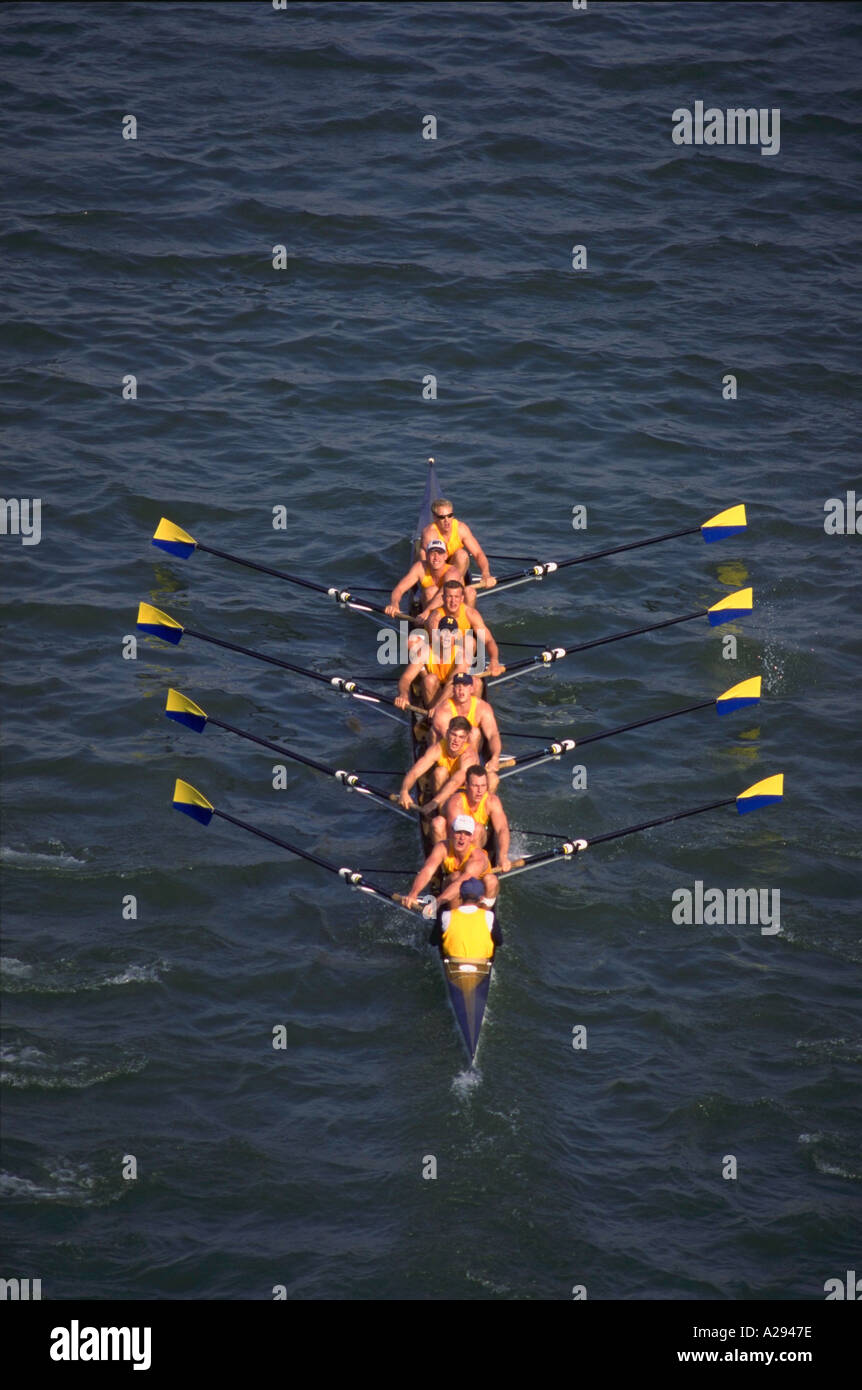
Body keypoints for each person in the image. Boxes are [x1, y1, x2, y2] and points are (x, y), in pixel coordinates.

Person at [403, 815, 498, 910]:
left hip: (476, 893)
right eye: (458, 832)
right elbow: (427, 870)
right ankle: (454, 916)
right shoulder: (442, 847)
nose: (462, 838)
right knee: (455, 876)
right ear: (451, 832)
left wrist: (437, 902)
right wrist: (413, 893)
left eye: (467, 834)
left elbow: (460, 883)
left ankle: (484, 915)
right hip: (453, 885)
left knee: (492, 880)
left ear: (472, 837)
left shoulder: (477, 858)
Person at [425, 578, 504, 683]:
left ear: (462, 598)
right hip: (440, 659)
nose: (453, 601)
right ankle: (453, 681)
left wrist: (494, 660)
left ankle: (462, 676)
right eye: (449, 597)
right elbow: (438, 647)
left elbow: (489, 640)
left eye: (456, 597)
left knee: (470, 641)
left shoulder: (470, 613)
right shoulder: (436, 617)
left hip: (461, 658)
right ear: (443, 598)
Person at [435, 764, 511, 873]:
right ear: (466, 785)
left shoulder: (492, 801)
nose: (480, 791)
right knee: (437, 823)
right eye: (475, 786)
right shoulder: (456, 802)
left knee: (477, 829)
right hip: (458, 842)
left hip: (479, 837)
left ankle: (474, 865)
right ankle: (442, 869)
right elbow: (456, 836)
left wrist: (503, 856)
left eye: (483, 786)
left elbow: (502, 829)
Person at [429, 671, 502, 784]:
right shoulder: (443, 710)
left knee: (474, 732)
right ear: (452, 690)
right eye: (458, 686)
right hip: (448, 755)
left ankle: (471, 771)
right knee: (440, 772)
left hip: (469, 754)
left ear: (472, 689)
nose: (461, 690)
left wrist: (495, 757)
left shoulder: (483, 707)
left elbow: (493, 734)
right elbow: (452, 744)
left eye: (465, 686)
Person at [419, 497, 497, 591]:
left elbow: (478, 554)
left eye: (450, 515)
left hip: (455, 567)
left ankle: (453, 587)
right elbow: (428, 565)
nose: (447, 520)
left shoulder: (461, 529)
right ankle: (450, 589)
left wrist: (486, 574)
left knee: (462, 555)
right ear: (434, 518)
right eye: (442, 517)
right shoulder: (430, 534)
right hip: (436, 568)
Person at [398, 715, 473, 811]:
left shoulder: (468, 756)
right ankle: (442, 811)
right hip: (442, 789)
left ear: (466, 739)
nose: (456, 740)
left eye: (461, 737)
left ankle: (440, 808)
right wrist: (404, 791)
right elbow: (414, 772)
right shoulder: (437, 749)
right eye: (453, 735)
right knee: (440, 772)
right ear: (447, 733)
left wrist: (434, 802)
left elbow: (455, 782)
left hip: (462, 791)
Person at [385, 538, 476, 617]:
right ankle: (428, 626)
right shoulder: (420, 567)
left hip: (452, 604)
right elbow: (399, 589)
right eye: (432, 553)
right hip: (429, 605)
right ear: (427, 556)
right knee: (430, 591)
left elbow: (442, 595)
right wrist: (394, 604)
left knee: (470, 592)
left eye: (440, 553)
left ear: (445, 556)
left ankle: (467, 625)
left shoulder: (452, 572)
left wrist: (426, 612)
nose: (436, 558)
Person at [394, 618, 467, 712]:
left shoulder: (461, 654)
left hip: (452, 693)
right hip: (434, 692)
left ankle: (439, 713)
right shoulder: (425, 651)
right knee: (429, 680)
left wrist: (438, 705)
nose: (447, 636)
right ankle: (433, 718)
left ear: (456, 636)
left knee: (476, 683)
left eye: (451, 633)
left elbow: (454, 683)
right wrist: (403, 695)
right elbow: (406, 678)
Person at [428, 877, 502, 959]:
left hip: (453, 962)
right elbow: (499, 941)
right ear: (481, 898)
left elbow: (433, 941)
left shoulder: (445, 915)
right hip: (481, 962)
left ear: (460, 896)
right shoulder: (489, 916)